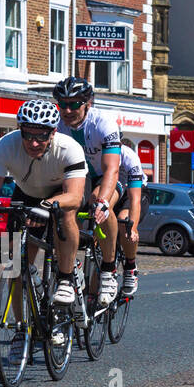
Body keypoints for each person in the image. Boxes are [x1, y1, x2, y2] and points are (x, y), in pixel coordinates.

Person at [0, 99, 87, 359]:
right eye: (28, 135)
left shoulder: (69, 148)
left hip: (60, 195)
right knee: (15, 263)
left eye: (41, 136)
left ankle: (66, 278)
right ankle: (22, 329)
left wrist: (47, 205)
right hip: (27, 194)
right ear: (20, 130)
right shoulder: (5, 146)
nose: (33, 143)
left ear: (53, 132)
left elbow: (76, 196)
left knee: (66, 213)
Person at [52, 76, 121, 305]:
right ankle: (70, 268)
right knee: (64, 212)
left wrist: (103, 200)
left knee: (100, 203)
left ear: (87, 104)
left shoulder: (104, 123)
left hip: (103, 177)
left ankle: (109, 270)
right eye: (63, 104)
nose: (68, 110)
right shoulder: (57, 125)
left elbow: (111, 169)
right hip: (75, 176)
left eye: (74, 104)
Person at [113, 144, 146, 296]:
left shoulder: (129, 156)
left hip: (132, 193)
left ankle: (130, 266)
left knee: (124, 220)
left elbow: (135, 200)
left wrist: (131, 228)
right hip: (111, 192)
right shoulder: (92, 152)